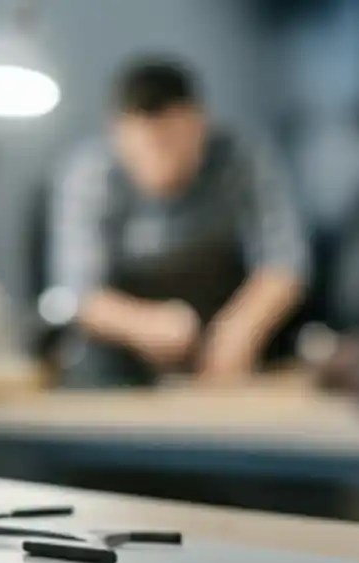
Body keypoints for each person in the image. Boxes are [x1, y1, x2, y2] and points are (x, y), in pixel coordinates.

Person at [51, 57, 309, 387]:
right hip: (127, 363)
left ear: (199, 124)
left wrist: (240, 330)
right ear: (117, 134)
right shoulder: (88, 176)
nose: (161, 162)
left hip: (240, 351)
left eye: (172, 142)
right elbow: (79, 294)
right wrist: (146, 325)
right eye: (146, 146)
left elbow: (285, 263)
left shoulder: (243, 162)